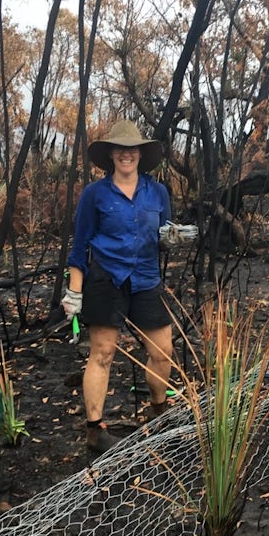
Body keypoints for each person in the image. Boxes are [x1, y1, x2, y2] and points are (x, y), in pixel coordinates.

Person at [61, 121, 196, 453]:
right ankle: (95, 431)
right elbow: (79, 248)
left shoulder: (158, 193)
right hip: (106, 278)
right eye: (119, 149)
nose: (126, 154)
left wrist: (172, 239)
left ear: (140, 153)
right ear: (111, 155)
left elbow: (162, 237)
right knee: (103, 353)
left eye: (131, 148)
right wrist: (74, 293)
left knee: (162, 351)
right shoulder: (95, 194)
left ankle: (158, 411)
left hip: (146, 279)